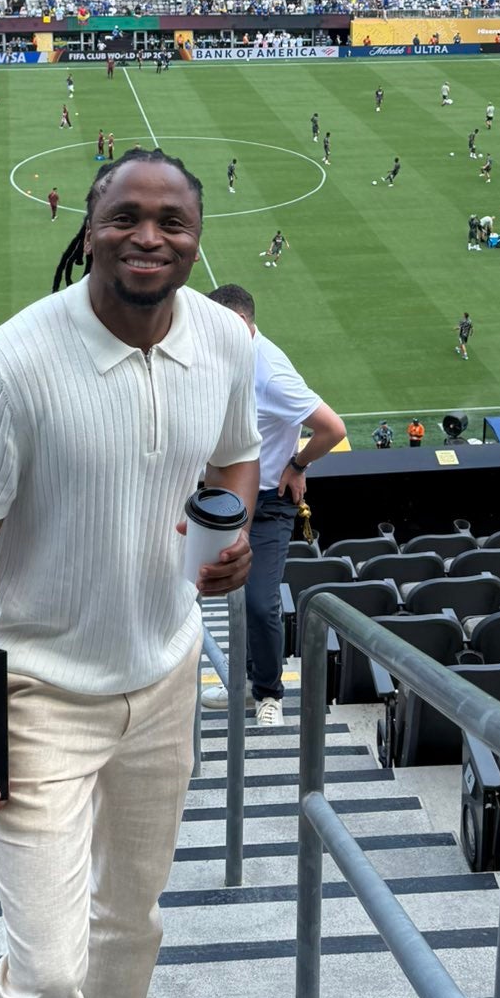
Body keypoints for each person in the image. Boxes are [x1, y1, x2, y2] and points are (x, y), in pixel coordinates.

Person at [0, 149, 258, 998]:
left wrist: (233, 526)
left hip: (165, 673)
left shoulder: (223, 339)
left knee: (136, 909)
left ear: (198, 235)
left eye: (172, 220)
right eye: (127, 216)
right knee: (45, 963)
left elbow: (237, 452)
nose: (149, 236)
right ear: (90, 224)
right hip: (36, 690)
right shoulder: (12, 362)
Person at [206, 283, 344, 727]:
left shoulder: (271, 374)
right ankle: (245, 683)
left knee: (261, 601)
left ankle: (268, 692)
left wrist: (297, 464)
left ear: (243, 325)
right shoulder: (220, 356)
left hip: (267, 503)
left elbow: (332, 428)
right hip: (221, 497)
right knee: (228, 595)